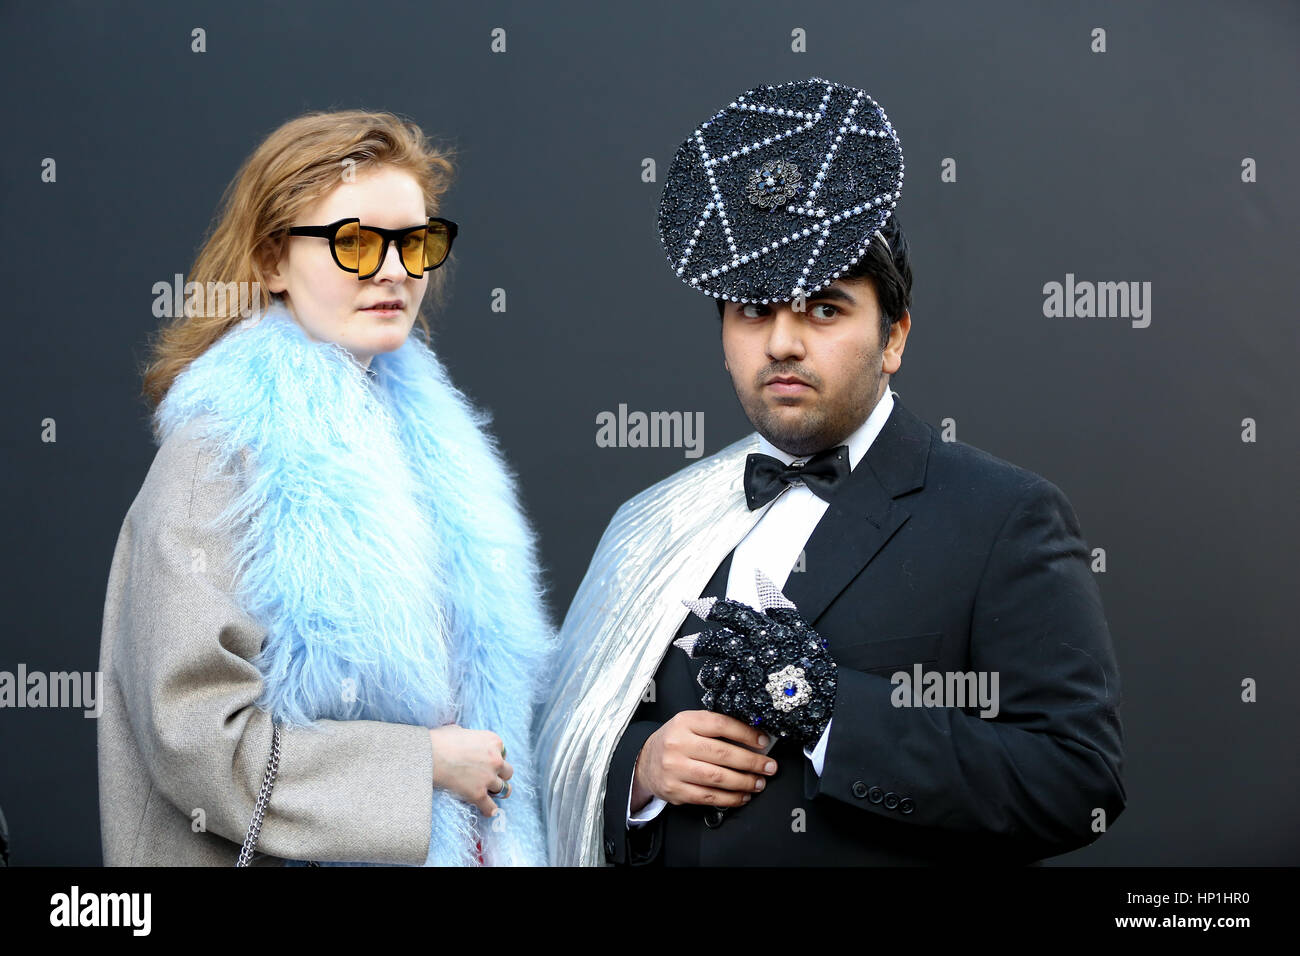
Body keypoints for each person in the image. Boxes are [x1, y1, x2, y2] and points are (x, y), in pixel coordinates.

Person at [536, 77, 1125, 866]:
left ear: (893, 337)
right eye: (753, 309)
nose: (782, 341)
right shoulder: (656, 520)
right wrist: (639, 774)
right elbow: (568, 736)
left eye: (823, 308)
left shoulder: (1004, 516)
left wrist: (828, 709)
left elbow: (1078, 784)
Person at [97, 110, 554, 866]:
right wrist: (421, 768)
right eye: (354, 242)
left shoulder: (428, 449)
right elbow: (194, 737)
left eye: (416, 242)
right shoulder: (225, 446)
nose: (396, 269)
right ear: (273, 261)